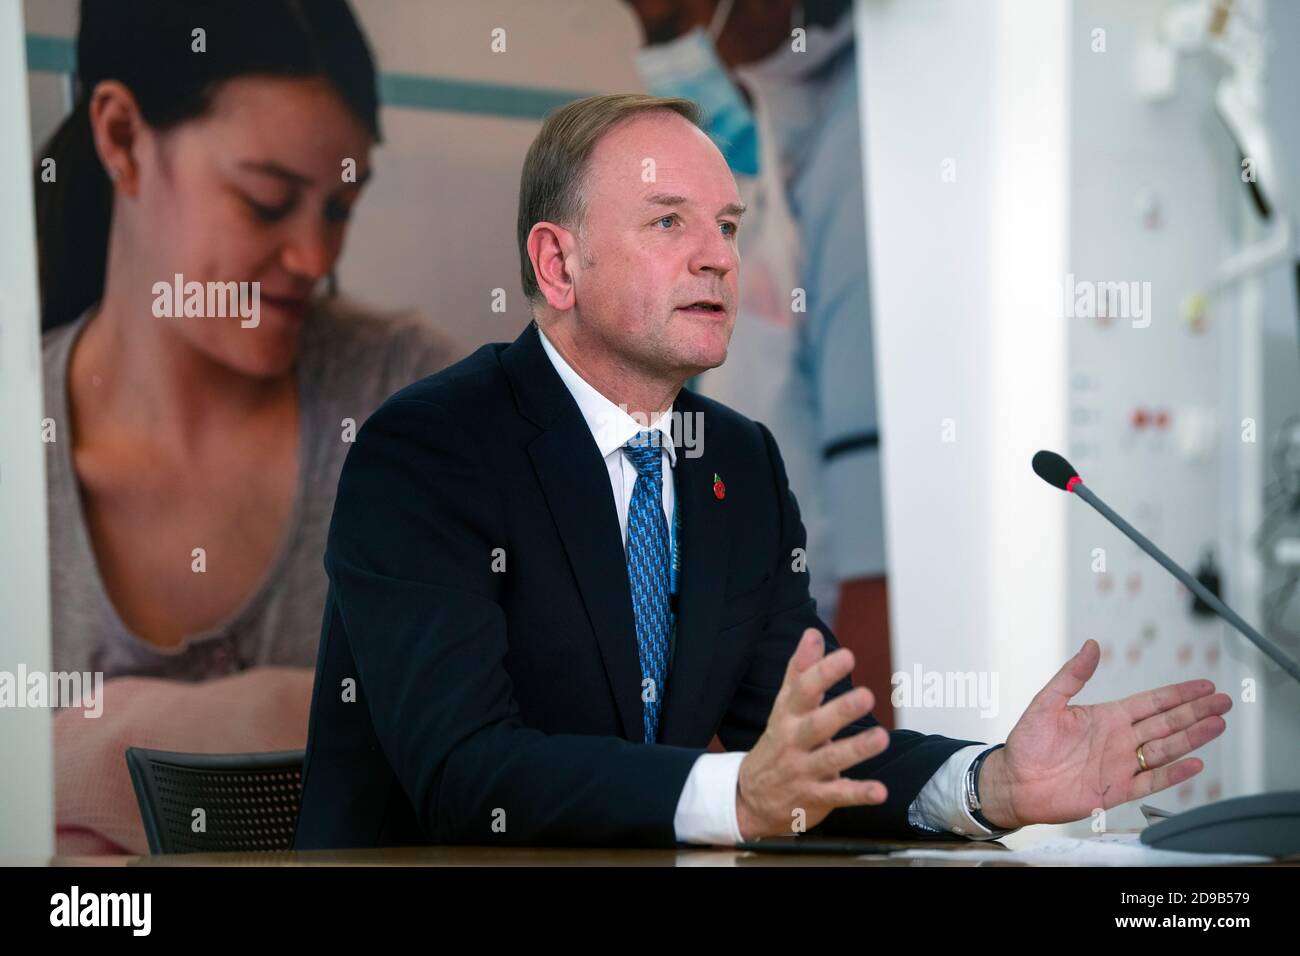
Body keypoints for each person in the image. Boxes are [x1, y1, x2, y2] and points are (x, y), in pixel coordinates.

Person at [294, 94, 1230, 848]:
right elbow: (466, 776)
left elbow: (811, 751)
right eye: (669, 222)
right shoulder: (428, 449)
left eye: (730, 226)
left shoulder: (734, 460)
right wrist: (738, 796)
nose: (717, 258)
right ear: (557, 262)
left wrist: (993, 783)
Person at [37, 0, 453, 854]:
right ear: (120, 137)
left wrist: (94, 746)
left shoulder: (410, 401)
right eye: (267, 203)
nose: (316, 258)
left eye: (338, 209)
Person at [625, 0, 897, 723]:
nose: (675, 44)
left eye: (679, 13)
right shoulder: (782, 151)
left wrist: (869, 795)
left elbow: (884, 566)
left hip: (834, 705)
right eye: (653, 27)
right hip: (768, 713)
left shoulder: (864, 151)